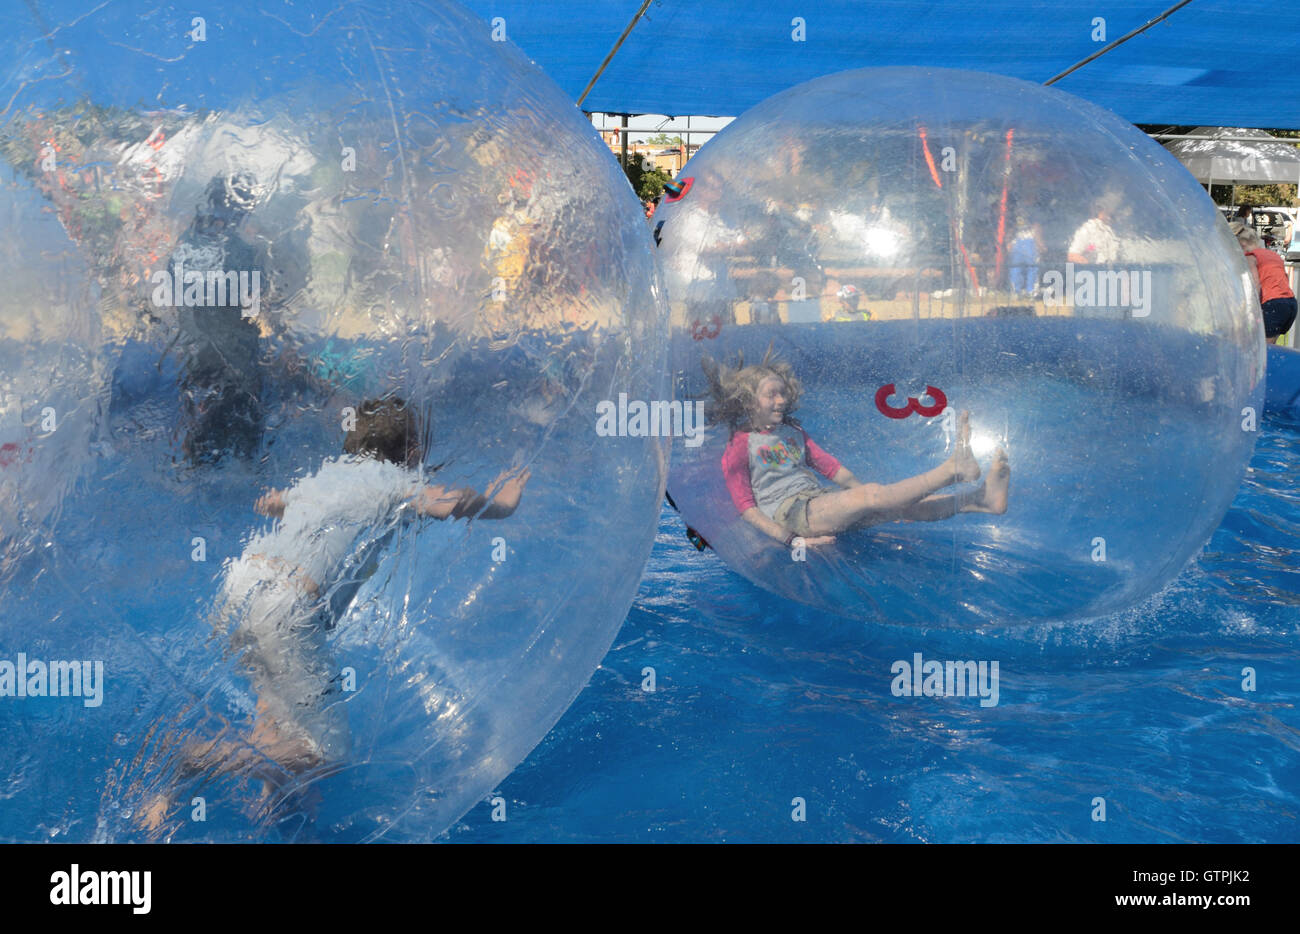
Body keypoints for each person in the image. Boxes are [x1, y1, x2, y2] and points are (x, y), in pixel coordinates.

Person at [144, 397, 531, 822]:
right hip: (286, 608)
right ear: (413, 451)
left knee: (275, 717)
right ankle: (192, 757)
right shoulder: (398, 482)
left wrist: (276, 503)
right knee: (325, 754)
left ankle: (283, 809)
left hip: (239, 589)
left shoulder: (327, 475)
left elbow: (278, 504)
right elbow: (450, 503)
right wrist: (502, 504)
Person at [708, 352, 1009, 547]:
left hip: (818, 502)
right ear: (748, 402)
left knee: (896, 504)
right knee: (873, 495)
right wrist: (790, 541)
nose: (781, 400)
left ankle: (981, 500)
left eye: (782, 393)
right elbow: (746, 508)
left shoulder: (793, 433)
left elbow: (835, 470)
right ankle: (951, 469)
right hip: (791, 514)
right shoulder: (739, 446)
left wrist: (879, 504)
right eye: (771, 395)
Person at [1233, 222, 1297, 343]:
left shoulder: (1251, 257)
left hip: (1273, 305)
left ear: (1242, 244)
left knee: (1264, 351)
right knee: (1271, 349)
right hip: (1290, 304)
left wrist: (1248, 310)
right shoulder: (1273, 255)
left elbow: (1254, 286)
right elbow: (1284, 278)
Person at [1067, 192, 1123, 265]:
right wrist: (1091, 270)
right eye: (1108, 211)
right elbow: (1072, 255)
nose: (1111, 216)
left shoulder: (1112, 232)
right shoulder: (1087, 229)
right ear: (1101, 211)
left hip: (1113, 274)